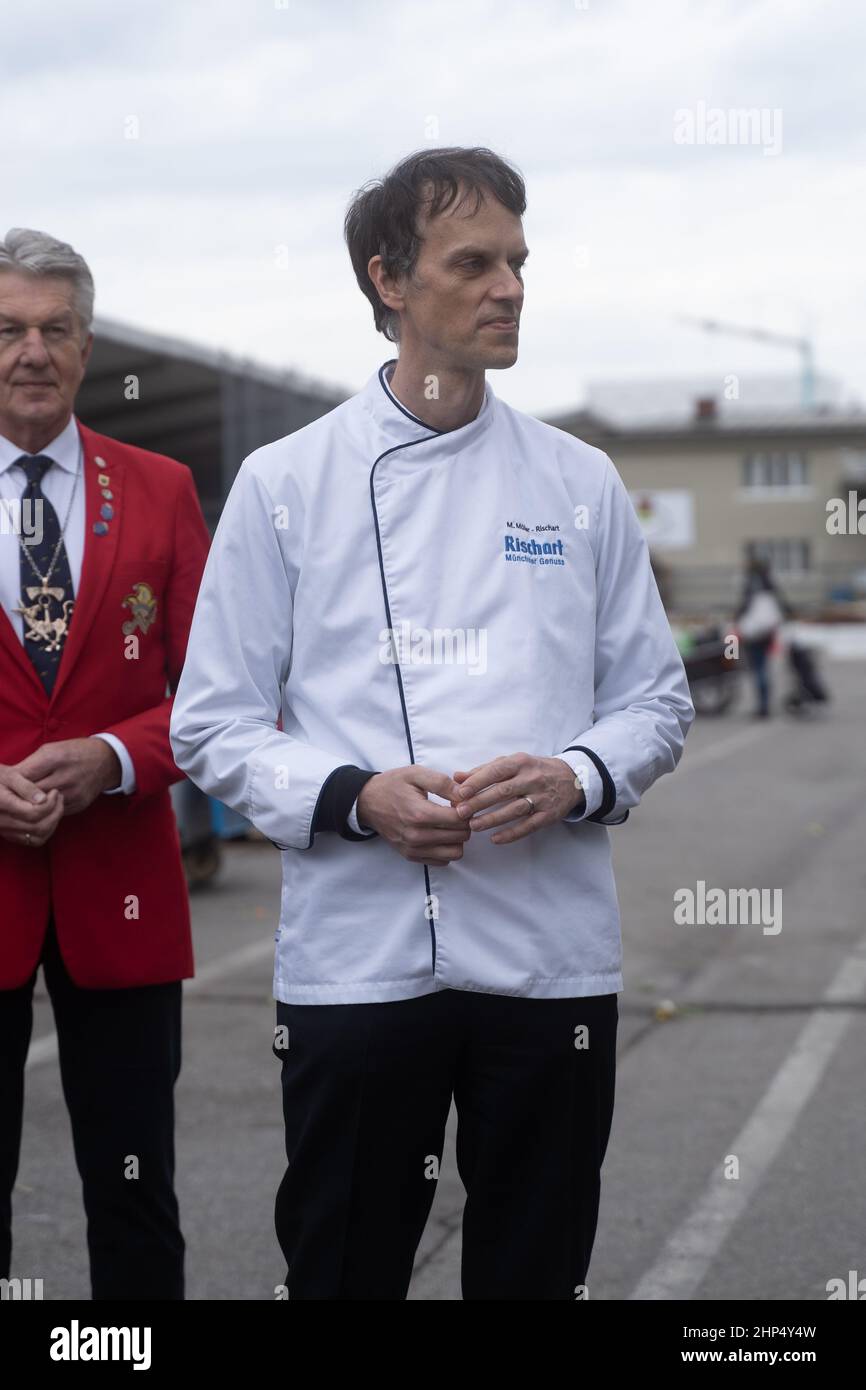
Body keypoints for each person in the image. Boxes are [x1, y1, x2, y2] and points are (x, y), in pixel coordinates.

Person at [170, 147, 695, 1300]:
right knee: (344, 1264)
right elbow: (208, 723)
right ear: (389, 281)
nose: (508, 285)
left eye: (517, 260)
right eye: (473, 262)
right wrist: (355, 795)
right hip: (359, 967)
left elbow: (655, 700)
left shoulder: (579, 481)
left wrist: (575, 773)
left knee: (533, 1268)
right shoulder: (285, 481)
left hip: (548, 956)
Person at [0, 228, 210, 1299]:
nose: (31, 350)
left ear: (86, 348)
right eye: (8, 328)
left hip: (121, 894)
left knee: (132, 1191)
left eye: (55, 329)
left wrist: (111, 757)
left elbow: (221, 699)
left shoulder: (163, 489)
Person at [735, 555, 793, 718]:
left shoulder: (751, 584)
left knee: (758, 668)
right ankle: (765, 703)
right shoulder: (769, 583)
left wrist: (736, 618)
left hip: (753, 634)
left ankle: (762, 706)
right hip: (767, 632)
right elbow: (782, 603)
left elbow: (744, 605)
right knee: (763, 667)